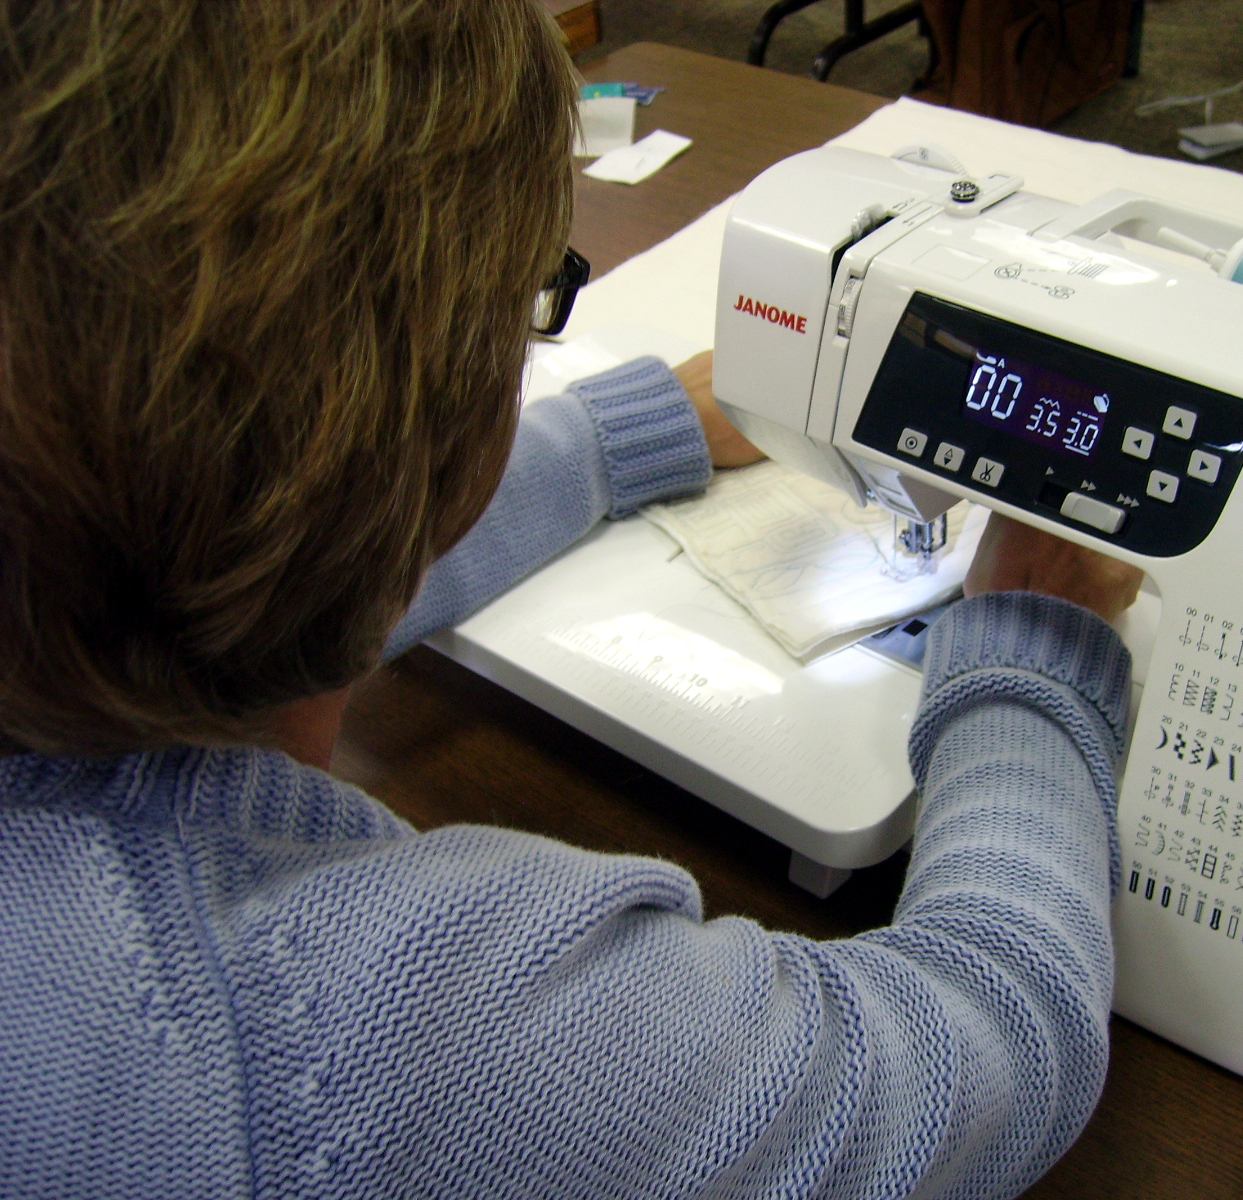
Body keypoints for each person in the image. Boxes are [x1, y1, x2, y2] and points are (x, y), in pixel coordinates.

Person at [0, 3, 1144, 1198]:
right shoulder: (351, 1035)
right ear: (441, 397)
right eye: (527, 303)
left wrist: (621, 434)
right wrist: (1033, 644)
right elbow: (992, 1047)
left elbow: (187, 568)